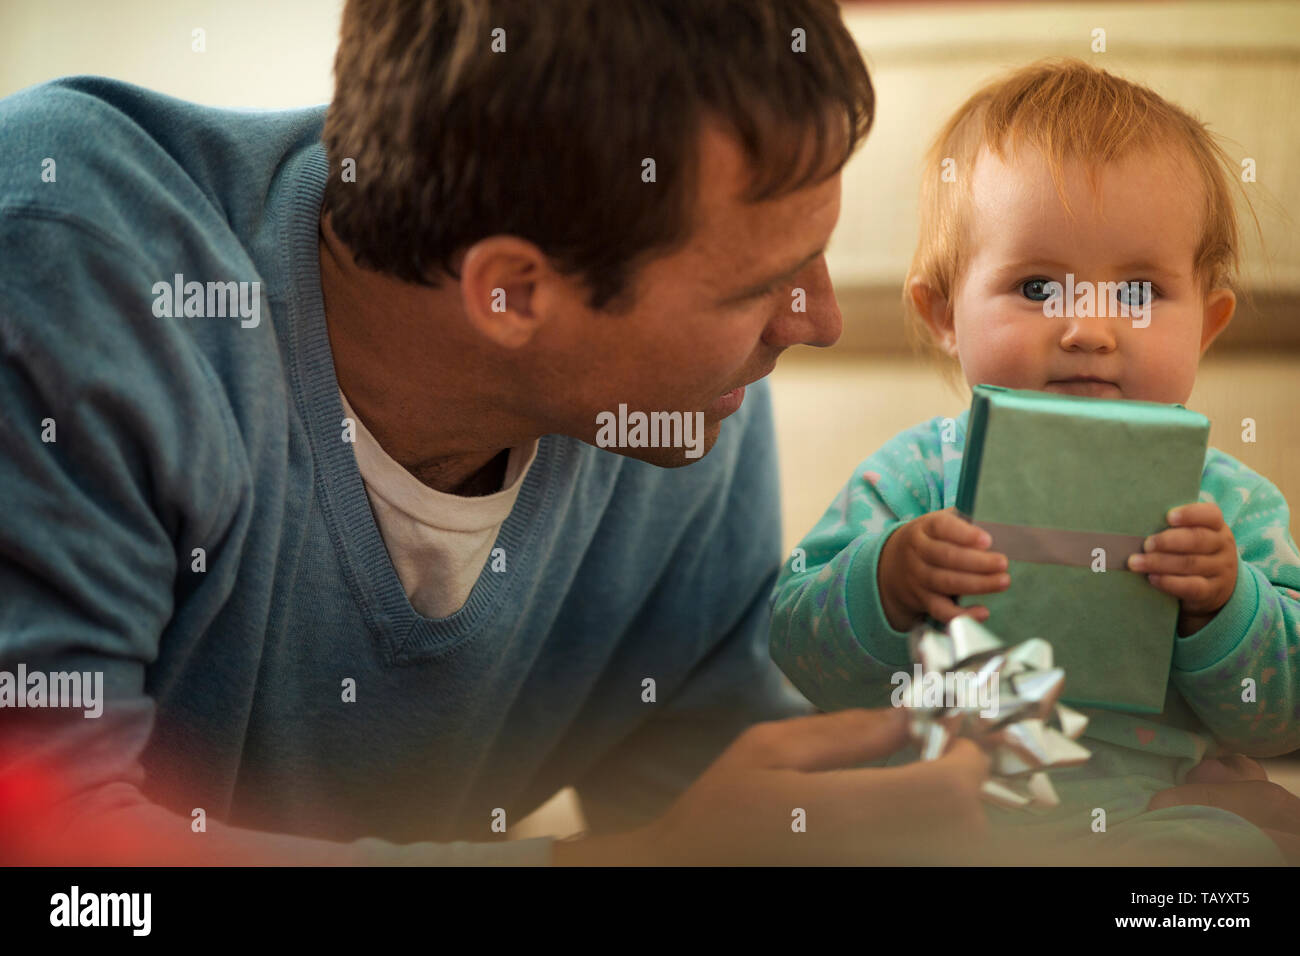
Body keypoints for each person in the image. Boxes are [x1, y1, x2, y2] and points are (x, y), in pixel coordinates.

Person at [0, 0, 999, 866]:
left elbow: (729, 804)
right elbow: (52, 855)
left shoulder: (684, 416)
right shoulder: (76, 267)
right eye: (755, 288)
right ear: (512, 292)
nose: (817, 321)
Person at [769, 59, 1300, 865]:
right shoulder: (912, 478)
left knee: (1235, 853)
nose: (1088, 329)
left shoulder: (1227, 506)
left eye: (1137, 293)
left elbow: (1282, 718)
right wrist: (884, 580)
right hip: (925, 815)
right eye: (1039, 288)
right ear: (943, 313)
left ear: (1208, 324)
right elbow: (800, 655)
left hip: (1150, 822)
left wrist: (1226, 606)